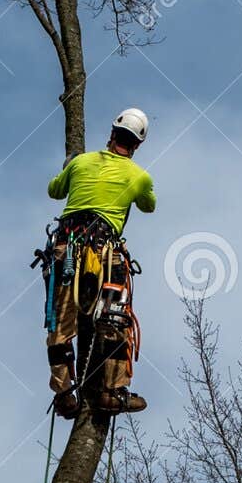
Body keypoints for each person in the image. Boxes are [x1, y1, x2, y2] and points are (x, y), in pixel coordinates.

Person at [43, 108, 156, 418]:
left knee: (60, 323)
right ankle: (112, 391)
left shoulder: (80, 163)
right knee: (115, 321)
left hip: (66, 251)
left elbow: (55, 190)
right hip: (104, 257)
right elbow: (149, 206)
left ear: (111, 133)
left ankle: (65, 393)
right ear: (137, 144)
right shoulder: (139, 176)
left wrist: (69, 167)